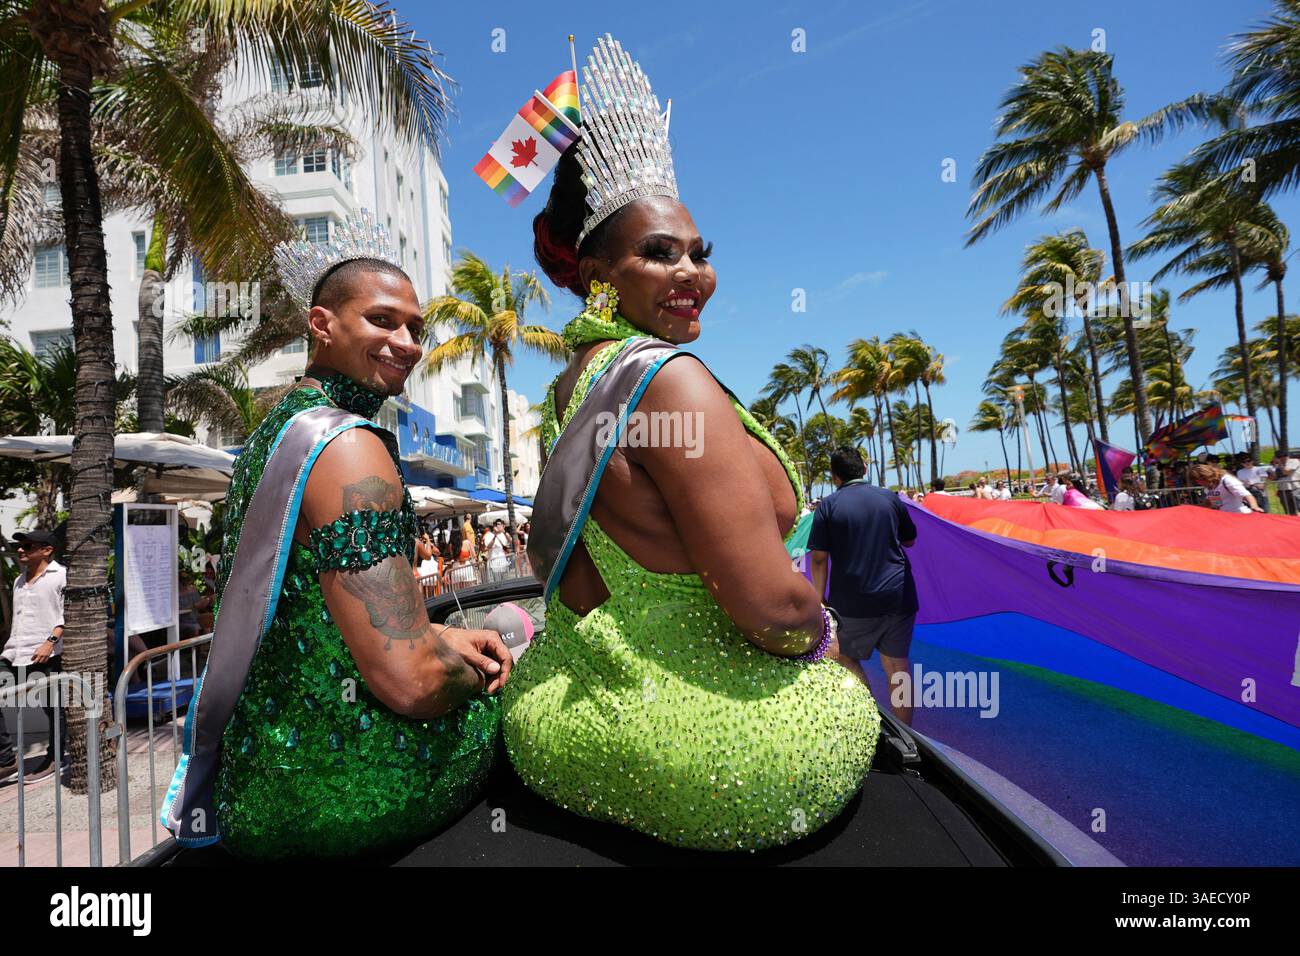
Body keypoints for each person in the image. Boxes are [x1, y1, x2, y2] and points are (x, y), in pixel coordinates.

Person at [503, 35, 878, 853]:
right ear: (599, 270)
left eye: (699, 253)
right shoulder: (671, 381)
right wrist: (825, 642)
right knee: (847, 709)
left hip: (564, 726)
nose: (692, 273)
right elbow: (770, 607)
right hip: (721, 760)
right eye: (658, 252)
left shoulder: (572, 383)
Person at [160, 213, 512, 860]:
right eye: (382, 320)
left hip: (263, 779)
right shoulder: (349, 446)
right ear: (322, 325)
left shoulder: (279, 431)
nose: (406, 341)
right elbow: (411, 682)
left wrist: (443, 634)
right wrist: (473, 671)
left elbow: (319, 617)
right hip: (339, 792)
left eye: (415, 327)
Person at [808, 448, 918, 725]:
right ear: (865, 469)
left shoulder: (828, 506)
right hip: (900, 595)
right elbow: (910, 541)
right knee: (897, 666)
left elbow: (819, 560)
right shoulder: (890, 498)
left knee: (839, 655)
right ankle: (907, 734)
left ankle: (874, 721)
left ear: (834, 476)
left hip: (853, 602)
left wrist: (819, 600)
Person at [0, 530, 67, 784]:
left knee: (53, 709)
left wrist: (50, 643)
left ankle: (55, 759)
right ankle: (6, 759)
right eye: (20, 546)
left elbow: (67, 615)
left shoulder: (60, 576)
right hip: (14, 652)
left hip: (45, 653)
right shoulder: (20, 580)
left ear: (47, 550)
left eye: (27, 546)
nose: (20, 550)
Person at [1189, 462, 1263, 513]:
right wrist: (1191, 509)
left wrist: (1254, 506)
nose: (1198, 483)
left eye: (1198, 481)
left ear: (1204, 476)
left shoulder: (1227, 480)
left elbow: (1246, 495)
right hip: (1224, 518)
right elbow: (1214, 503)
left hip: (1239, 515)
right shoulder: (1208, 487)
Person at [1274, 449, 1300, 516]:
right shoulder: (1278, 465)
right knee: (1289, 512)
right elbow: (1275, 478)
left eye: (1279, 457)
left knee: (1297, 510)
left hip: (1294, 489)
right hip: (1283, 491)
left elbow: (1286, 472)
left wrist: (1280, 464)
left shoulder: (1294, 461)